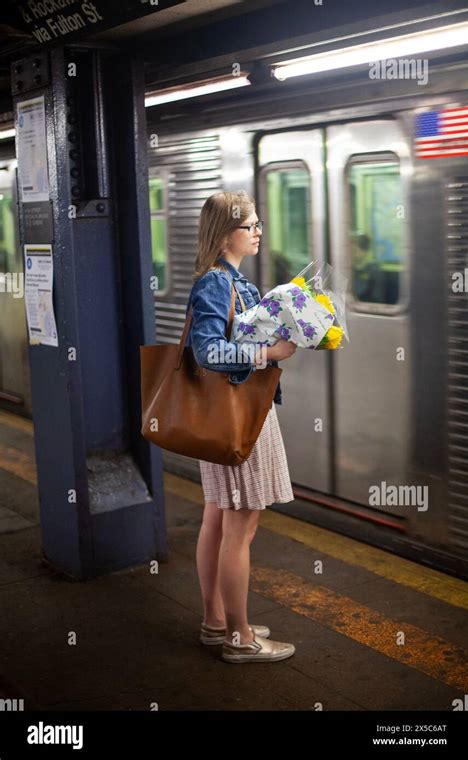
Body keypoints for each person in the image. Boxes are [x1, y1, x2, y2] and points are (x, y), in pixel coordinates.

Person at [184, 190, 297, 664]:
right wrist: (267, 354)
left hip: (229, 416)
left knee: (217, 519)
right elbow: (206, 351)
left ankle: (216, 622)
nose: (258, 232)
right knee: (239, 531)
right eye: (249, 225)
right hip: (239, 419)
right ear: (225, 232)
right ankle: (241, 637)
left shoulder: (231, 282)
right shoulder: (216, 283)